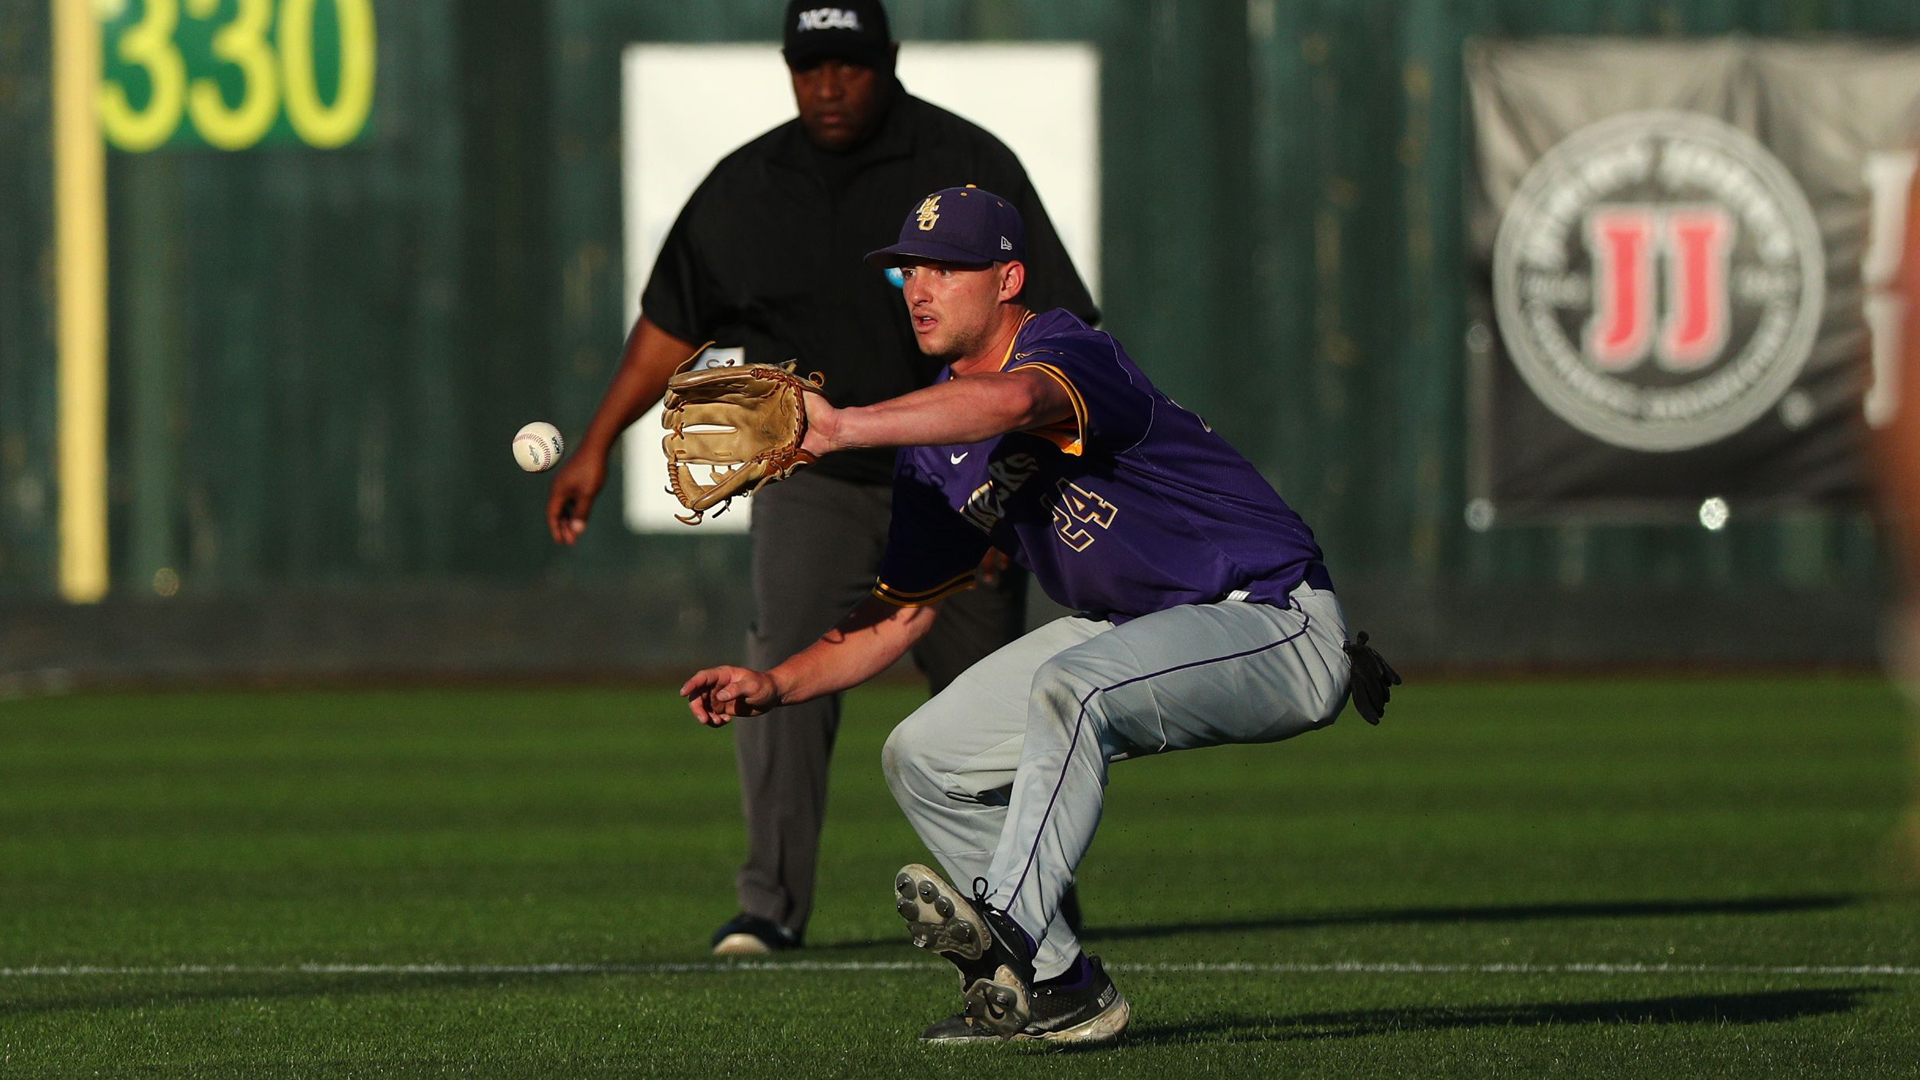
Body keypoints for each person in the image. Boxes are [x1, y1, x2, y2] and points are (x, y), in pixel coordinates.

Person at [680, 187, 1394, 1043]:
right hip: (1131, 631)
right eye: (911, 269)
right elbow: (898, 619)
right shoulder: (935, 451)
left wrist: (843, 429)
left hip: (1276, 620)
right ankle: (1062, 985)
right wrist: (775, 682)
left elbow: (1017, 406)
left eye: (949, 268)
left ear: (1009, 277)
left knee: (1072, 686)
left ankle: (1005, 926)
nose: (920, 286)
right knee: (922, 754)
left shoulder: (1071, 350)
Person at [547, 0, 1095, 956]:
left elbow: (1055, 336)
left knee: (985, 692)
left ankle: (1028, 898)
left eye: (847, 64)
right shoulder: (751, 185)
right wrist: (599, 441)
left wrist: (1017, 503)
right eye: (810, 65)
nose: (828, 84)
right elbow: (675, 322)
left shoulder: (964, 168)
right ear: (788, 67)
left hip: (964, 480)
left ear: (886, 60)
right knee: (783, 663)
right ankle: (769, 907)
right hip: (817, 478)